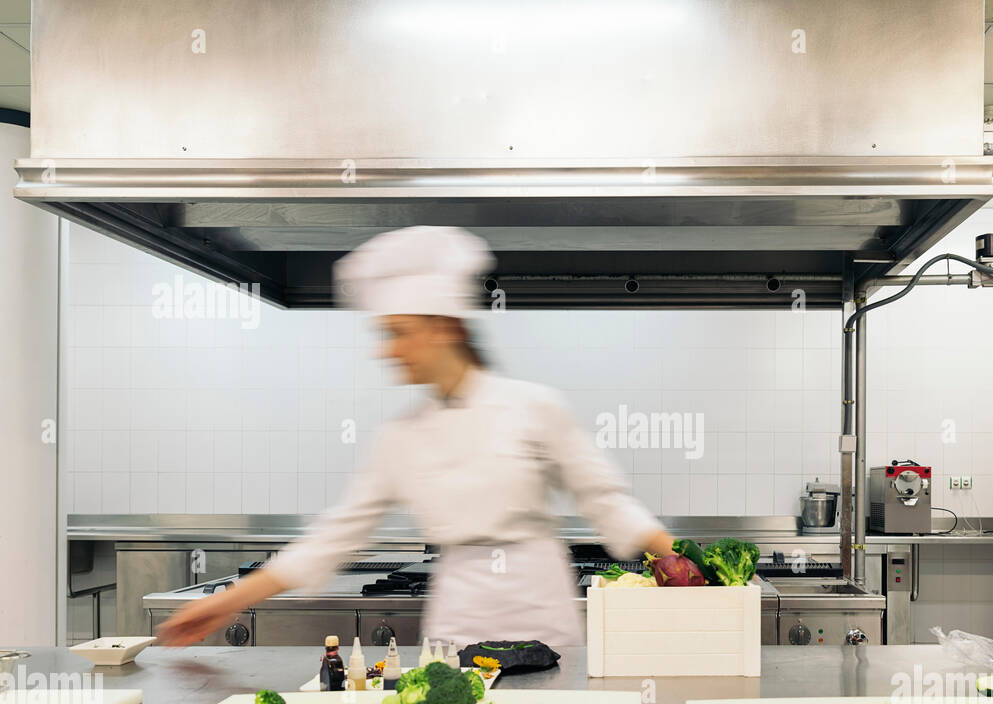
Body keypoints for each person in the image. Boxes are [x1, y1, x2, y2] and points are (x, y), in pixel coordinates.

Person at [158, 226, 674, 649]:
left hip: (539, 612)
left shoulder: (534, 406)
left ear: (443, 327)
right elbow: (334, 538)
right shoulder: (399, 437)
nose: (387, 351)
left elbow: (605, 501)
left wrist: (684, 555)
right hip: (456, 620)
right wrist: (223, 601)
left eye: (397, 331)